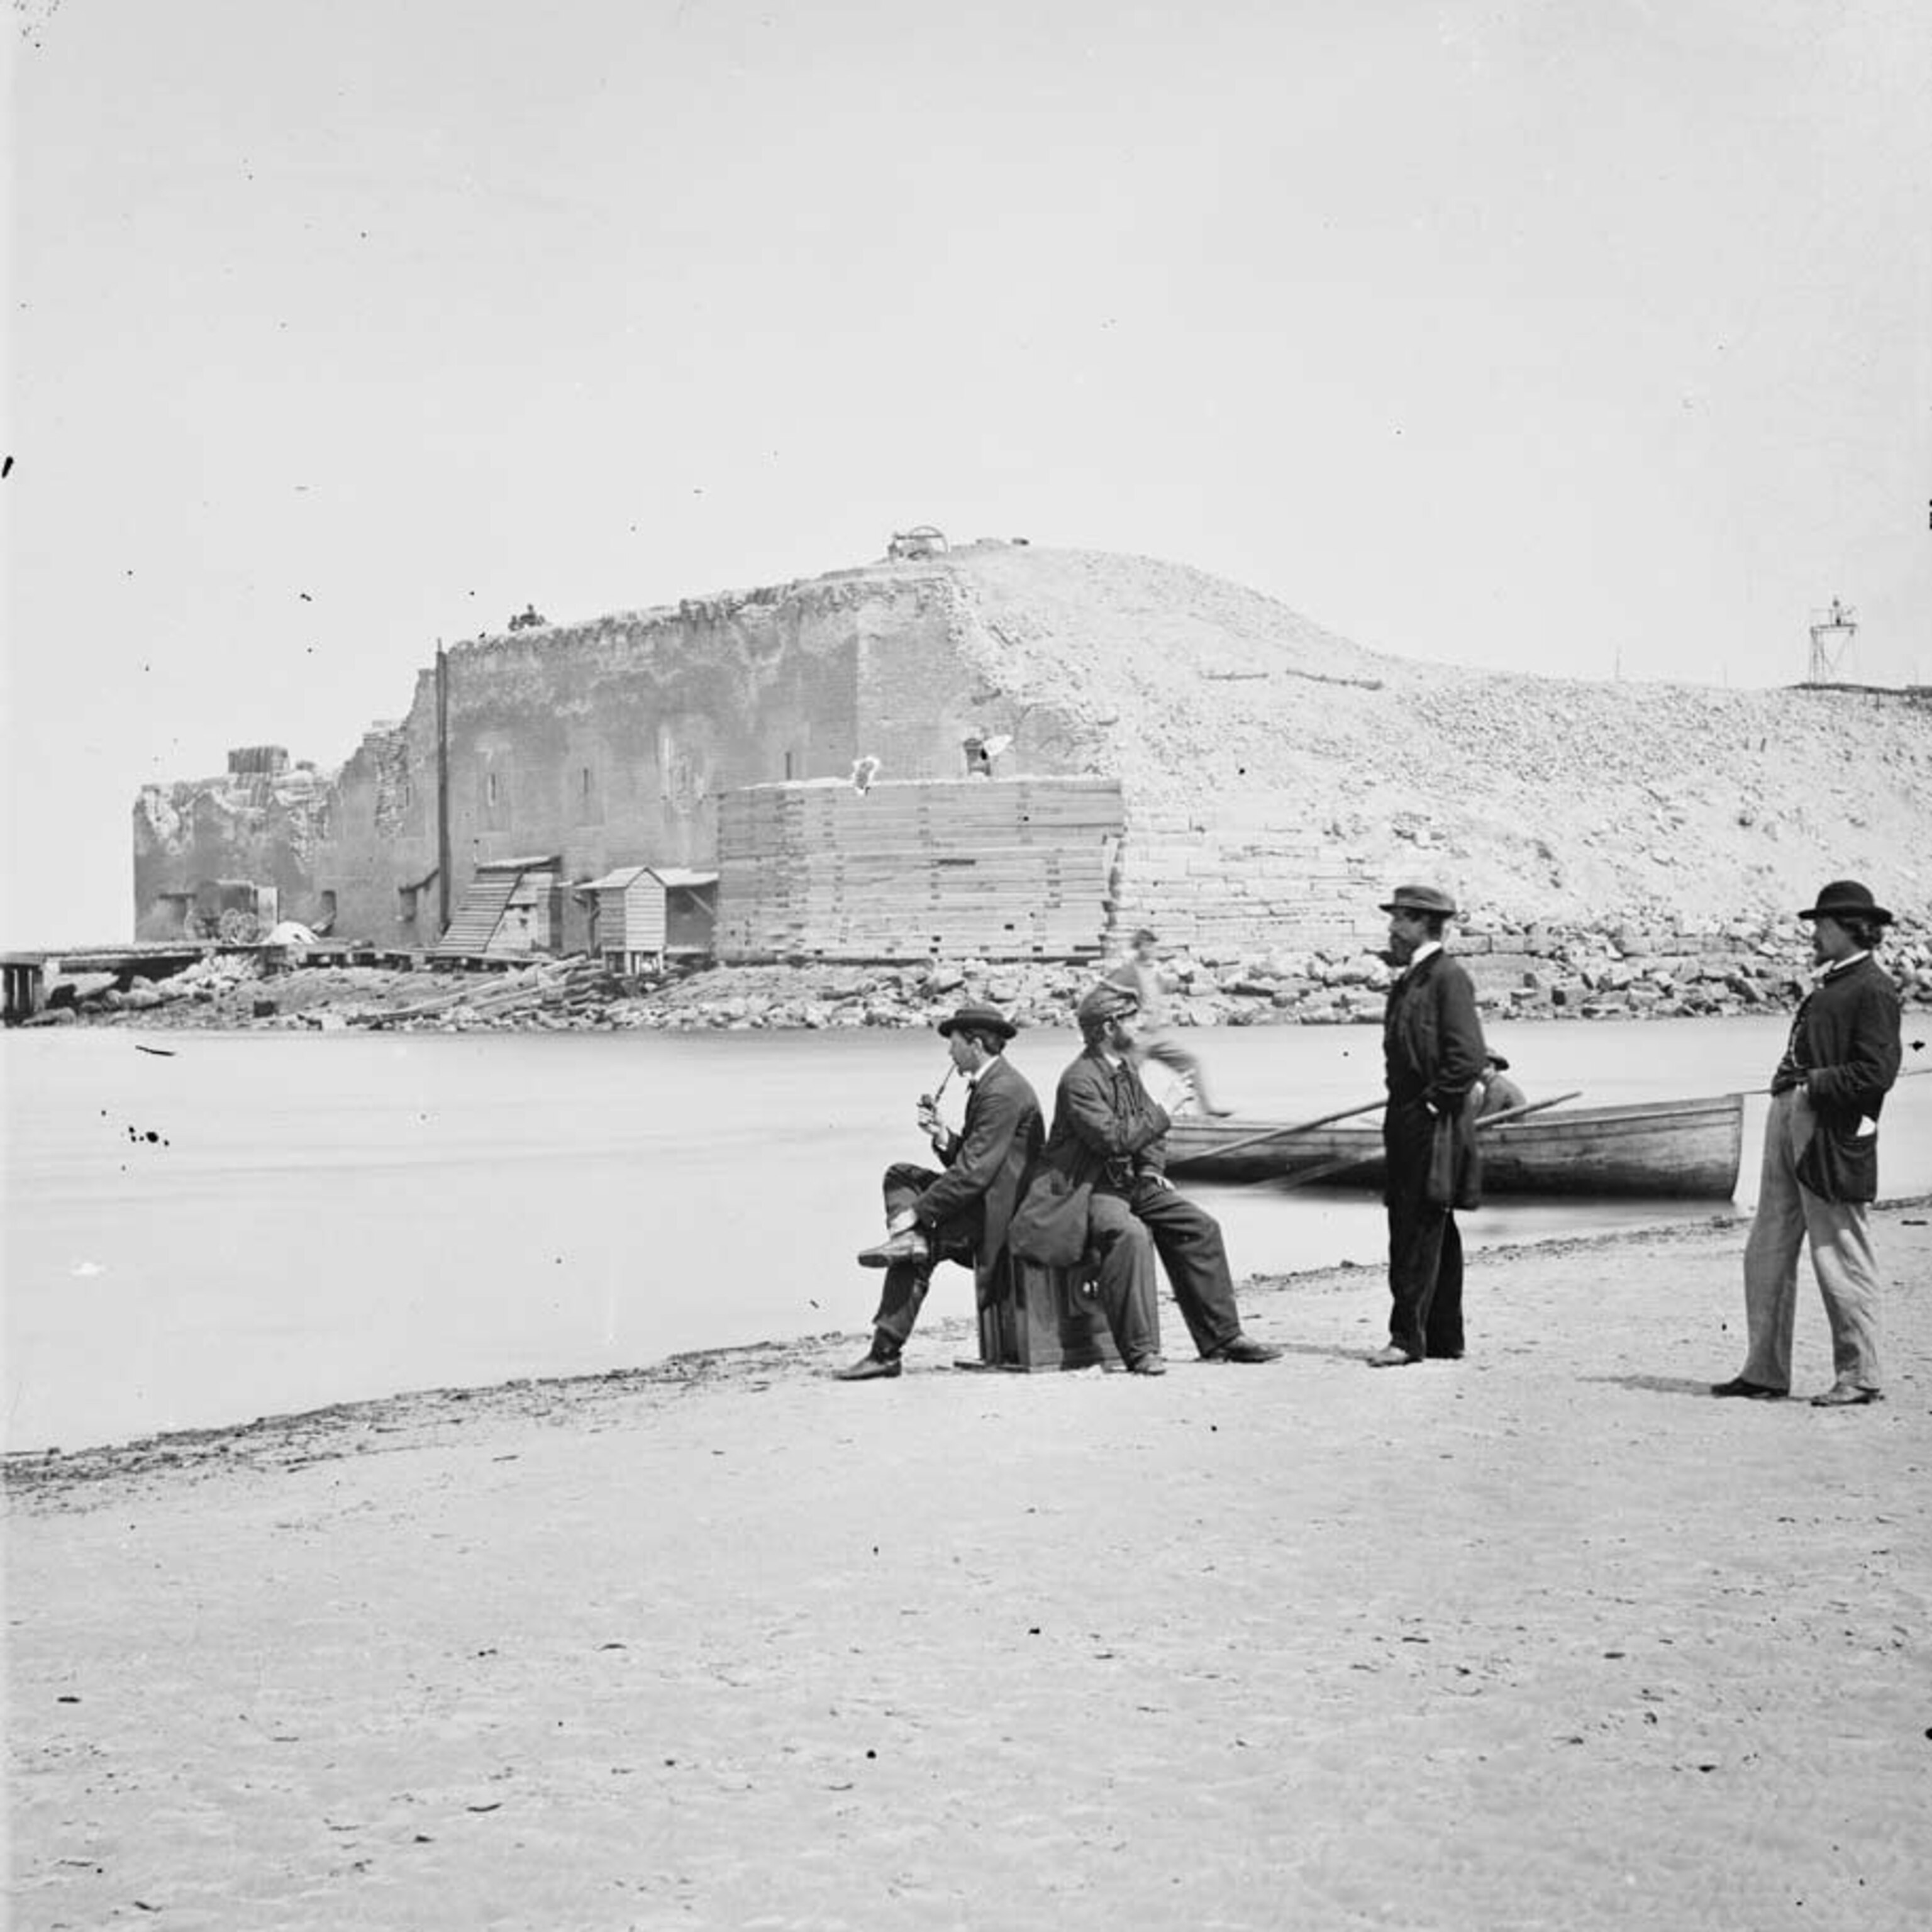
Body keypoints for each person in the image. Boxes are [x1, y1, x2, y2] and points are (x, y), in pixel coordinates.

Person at [1713, 880, 1902, 1408]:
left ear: (1849, 928)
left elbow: (1878, 1073)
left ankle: (1861, 1375)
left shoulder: (1873, 988)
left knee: (1840, 1252)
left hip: (1829, 1131)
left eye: (1821, 925)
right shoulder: (1836, 982)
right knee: (1767, 1249)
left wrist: (1813, 1086)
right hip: (1792, 1116)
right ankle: (1764, 1371)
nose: (1813, 934)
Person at [1036, 982, 1280, 1368]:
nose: (1140, 1029)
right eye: (1132, 1022)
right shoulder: (1079, 1080)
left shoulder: (1125, 1070)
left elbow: (1148, 1133)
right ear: (1108, 1028)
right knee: (1128, 1235)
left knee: (1200, 1227)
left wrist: (1151, 1169)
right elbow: (1113, 1139)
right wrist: (1167, 1107)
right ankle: (1140, 1351)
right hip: (1088, 1187)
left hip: (1129, 1182)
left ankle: (1222, 1337)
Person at [836, 1002, 1043, 1382]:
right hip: (987, 1198)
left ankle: (885, 1352)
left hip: (1000, 1214)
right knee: (900, 1175)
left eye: (954, 1043)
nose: (950, 1051)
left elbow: (975, 1172)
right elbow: (978, 1161)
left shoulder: (1003, 1092)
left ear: (975, 1043)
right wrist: (944, 1137)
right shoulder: (996, 1084)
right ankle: (907, 1242)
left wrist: (917, 1214)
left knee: (922, 1245)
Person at [1369, 884, 1487, 1368]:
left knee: (1414, 1225)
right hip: (1408, 1116)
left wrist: (1434, 1105)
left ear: (1422, 922)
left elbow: (1468, 1056)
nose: (1392, 929)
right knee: (1435, 1223)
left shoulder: (1446, 977)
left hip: (1426, 1118)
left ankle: (1406, 1340)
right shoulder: (1414, 978)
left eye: (1399, 919)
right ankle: (1443, 1336)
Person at [1103, 927, 1232, 1116]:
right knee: (1128, 1078)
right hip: (1136, 1038)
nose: (1153, 949)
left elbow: (1166, 986)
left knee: (1190, 1062)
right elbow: (1109, 994)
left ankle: (1206, 1110)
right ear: (1140, 947)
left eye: (1153, 945)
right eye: (1149, 945)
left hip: (1155, 1036)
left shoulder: (1151, 970)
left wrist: (1192, 988)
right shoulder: (1128, 972)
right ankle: (1122, 1117)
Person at [1475, 1051, 1526, 1119]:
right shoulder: (1496, 1084)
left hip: (1510, 1129)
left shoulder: (1497, 1087)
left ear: (1492, 1066)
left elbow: (1485, 1119)